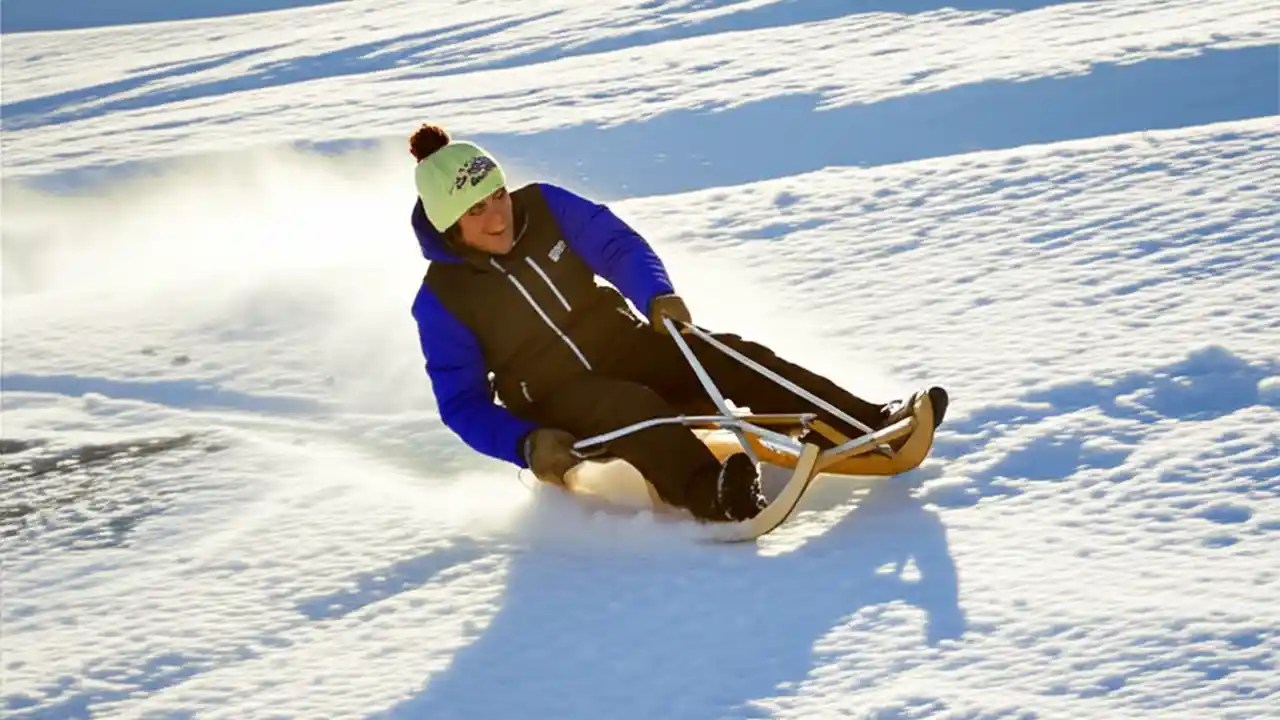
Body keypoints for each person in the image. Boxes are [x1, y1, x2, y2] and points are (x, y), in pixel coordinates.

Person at [407, 123, 946, 522]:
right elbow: (462, 404)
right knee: (633, 409)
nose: (498, 215)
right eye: (475, 210)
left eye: (497, 194)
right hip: (555, 397)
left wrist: (655, 294)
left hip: (622, 342)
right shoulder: (443, 300)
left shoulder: (544, 207)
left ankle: (864, 423)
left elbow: (614, 245)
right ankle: (714, 492)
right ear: (447, 222)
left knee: (723, 353)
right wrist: (525, 443)